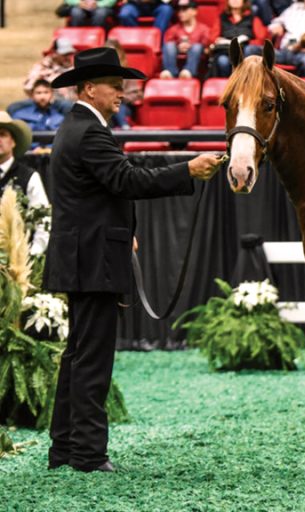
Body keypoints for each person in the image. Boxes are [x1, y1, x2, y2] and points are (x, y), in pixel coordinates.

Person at [44, 47, 222, 473]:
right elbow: (125, 180)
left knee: (78, 354)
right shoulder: (90, 131)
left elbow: (99, 193)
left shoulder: (77, 128)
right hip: (94, 259)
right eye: (115, 86)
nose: (122, 93)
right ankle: (87, 454)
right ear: (90, 88)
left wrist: (124, 232)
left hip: (86, 252)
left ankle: (66, 448)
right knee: (93, 359)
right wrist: (187, 170)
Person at [0, 112, 50, 256]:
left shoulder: (29, 177)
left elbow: (43, 222)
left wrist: (32, 255)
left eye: (2, 134)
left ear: (13, 142)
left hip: (18, 258)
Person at [19, 38, 78, 110]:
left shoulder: (74, 67)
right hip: (51, 105)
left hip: (72, 104)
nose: (68, 57)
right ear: (54, 53)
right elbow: (28, 87)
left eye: (70, 54)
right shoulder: (42, 67)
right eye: (64, 54)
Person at [160, 0, 211, 79]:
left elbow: (206, 45)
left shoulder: (204, 29)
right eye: (179, 10)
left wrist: (190, 46)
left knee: (197, 47)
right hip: (177, 54)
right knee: (169, 46)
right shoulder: (173, 29)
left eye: (184, 9)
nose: (180, 13)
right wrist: (179, 47)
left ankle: (188, 72)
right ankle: (171, 73)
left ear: (194, 11)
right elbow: (167, 43)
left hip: (197, 60)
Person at [212, 0, 262, 77]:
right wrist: (220, 40)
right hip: (227, 51)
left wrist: (248, 41)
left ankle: (246, 81)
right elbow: (212, 38)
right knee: (222, 60)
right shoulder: (222, 18)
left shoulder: (252, 18)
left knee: (249, 50)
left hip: (245, 51)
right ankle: (228, 85)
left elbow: (261, 39)